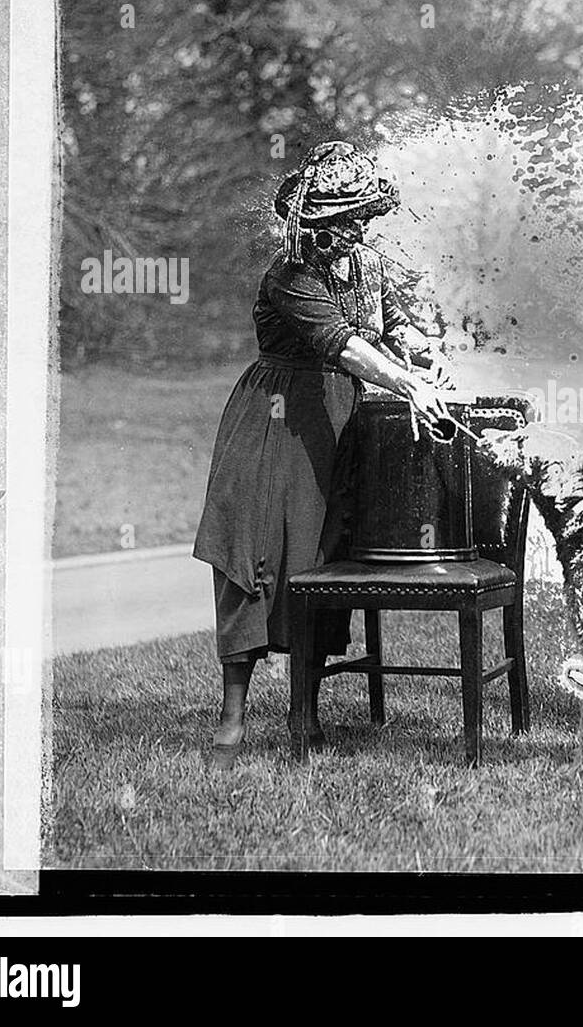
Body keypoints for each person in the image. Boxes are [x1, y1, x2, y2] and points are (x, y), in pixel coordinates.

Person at [193, 140, 451, 769]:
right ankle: (232, 720)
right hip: (274, 418)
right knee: (256, 554)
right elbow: (341, 345)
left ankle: (303, 713)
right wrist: (407, 382)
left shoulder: (370, 265)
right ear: (314, 221)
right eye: (344, 220)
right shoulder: (289, 274)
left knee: (319, 558)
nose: (356, 230)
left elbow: (393, 331)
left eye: (362, 218)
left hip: (339, 422)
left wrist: (427, 350)